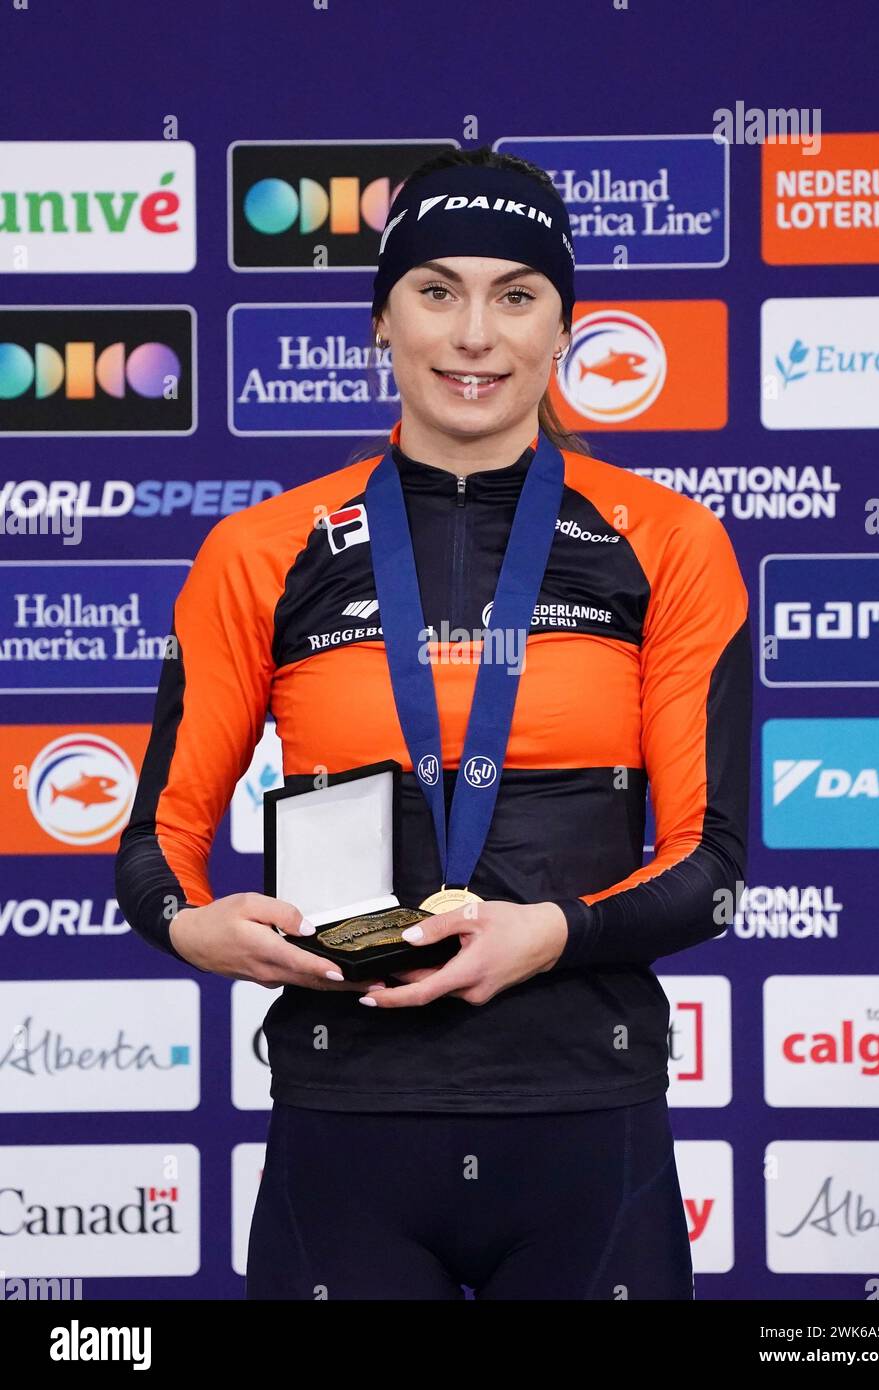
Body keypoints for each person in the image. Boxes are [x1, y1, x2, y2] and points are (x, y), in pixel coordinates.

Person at [115, 146, 752, 1301]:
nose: (473, 335)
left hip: (583, 1114)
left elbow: (709, 867)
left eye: (515, 296)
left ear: (564, 332)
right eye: (435, 289)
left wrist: (545, 932)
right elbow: (154, 847)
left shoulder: (667, 544)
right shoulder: (259, 553)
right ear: (379, 321)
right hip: (345, 1117)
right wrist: (190, 927)